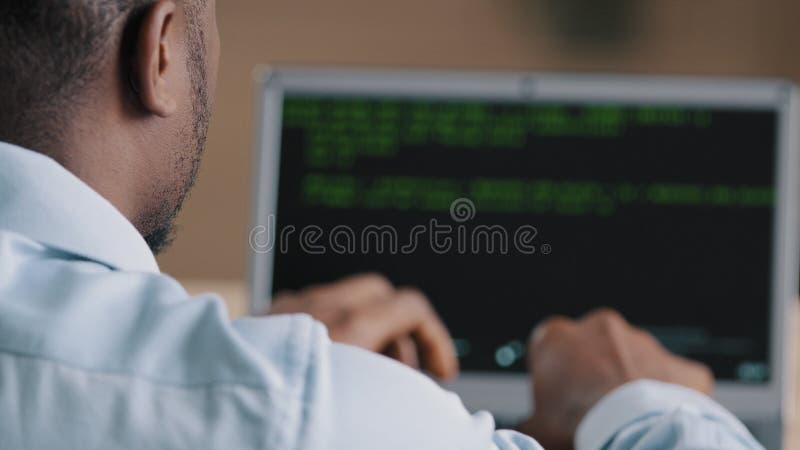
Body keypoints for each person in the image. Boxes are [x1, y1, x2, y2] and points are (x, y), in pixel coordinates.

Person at [0, 1, 765, 449]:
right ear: (160, 51)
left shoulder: (267, 393)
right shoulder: (297, 409)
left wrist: (234, 351)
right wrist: (637, 404)